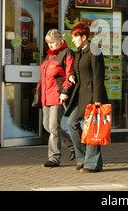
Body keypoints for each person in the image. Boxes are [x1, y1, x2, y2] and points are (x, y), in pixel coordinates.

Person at [65, 22, 108, 172]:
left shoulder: (94, 50)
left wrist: (97, 99)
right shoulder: (79, 51)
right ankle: (82, 158)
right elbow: (77, 70)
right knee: (71, 124)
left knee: (92, 129)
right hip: (80, 94)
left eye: (75, 37)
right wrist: (71, 76)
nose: (73, 40)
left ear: (84, 37)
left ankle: (93, 164)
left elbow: (98, 76)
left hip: (92, 95)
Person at [40, 29, 75, 167]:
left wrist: (65, 91)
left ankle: (54, 157)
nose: (50, 46)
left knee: (54, 127)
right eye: (48, 43)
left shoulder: (66, 53)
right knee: (47, 126)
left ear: (60, 40)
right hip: (46, 96)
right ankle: (74, 146)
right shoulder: (49, 56)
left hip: (58, 95)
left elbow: (70, 74)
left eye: (53, 43)